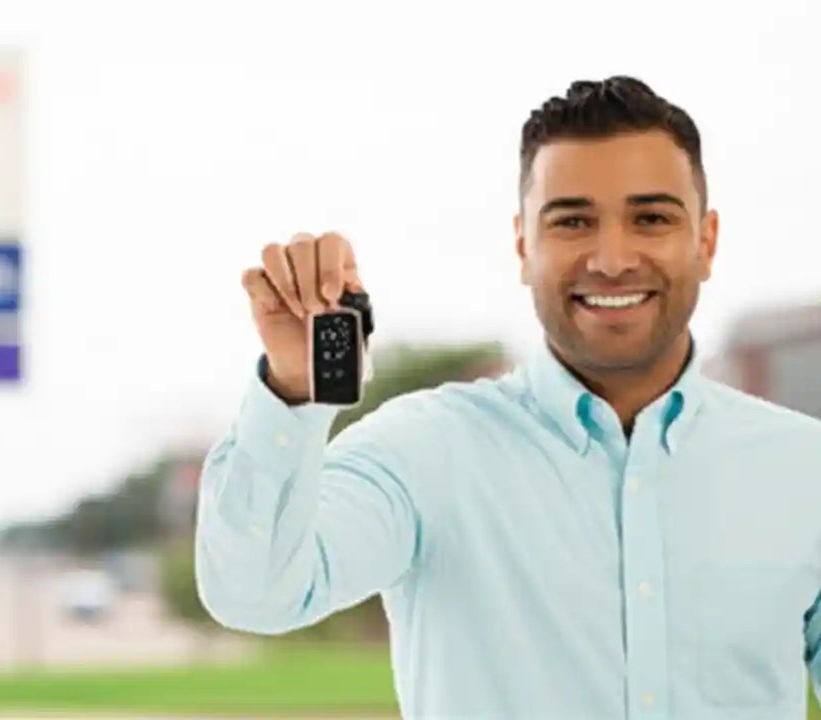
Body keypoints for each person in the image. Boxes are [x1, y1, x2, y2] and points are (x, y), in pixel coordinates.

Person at [194, 76, 821, 719]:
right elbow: (255, 592)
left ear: (706, 241)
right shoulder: (425, 450)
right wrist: (294, 390)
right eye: (573, 221)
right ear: (524, 245)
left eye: (651, 218)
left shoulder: (806, 470)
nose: (610, 258)